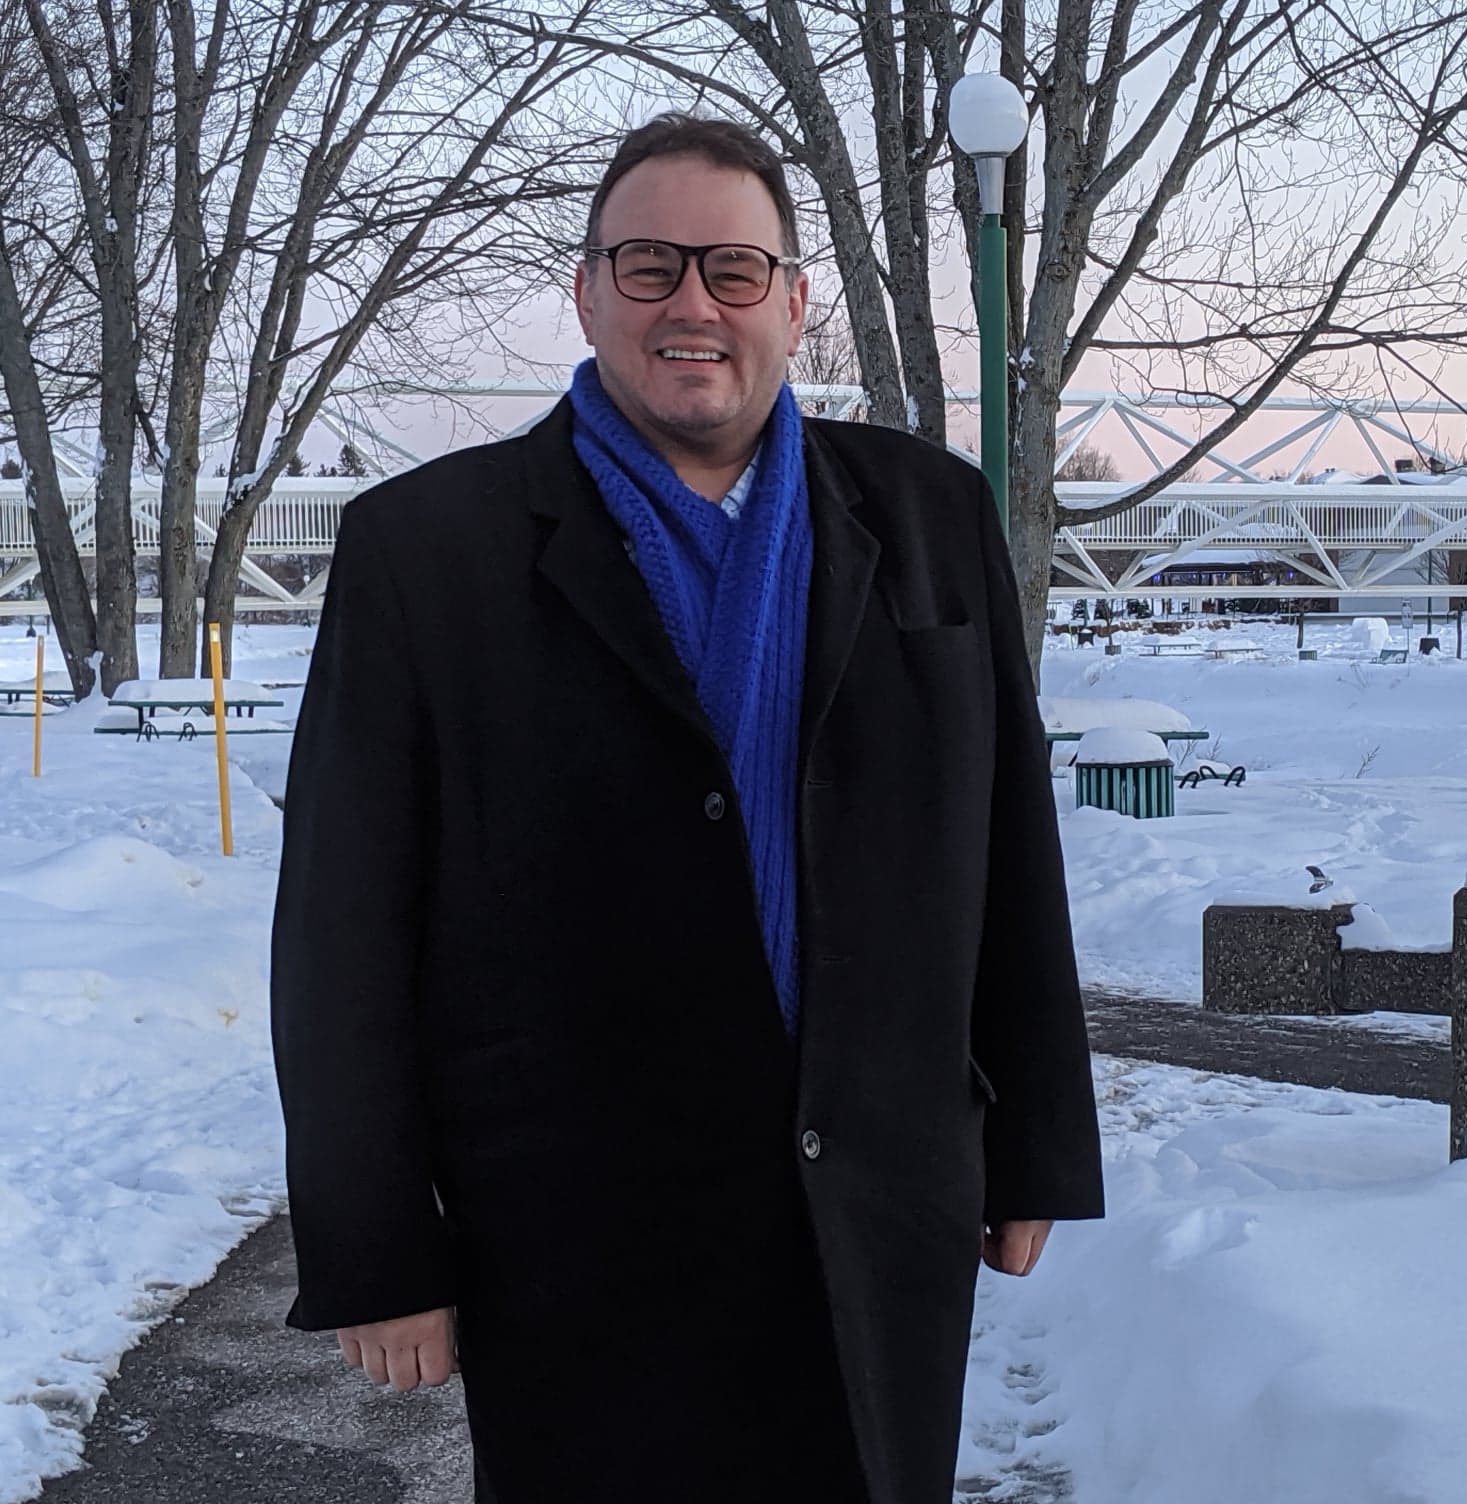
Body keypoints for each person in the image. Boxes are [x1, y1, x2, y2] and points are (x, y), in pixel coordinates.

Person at [269, 111, 1104, 1503]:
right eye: (649, 267)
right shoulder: (429, 551)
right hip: (577, 1230)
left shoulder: (930, 516)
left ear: (792, 299)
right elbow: (343, 925)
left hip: (876, 1206)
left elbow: (1010, 846)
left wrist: (1034, 1146)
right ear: (588, 291)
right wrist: (375, 1247)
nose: (691, 306)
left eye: (732, 269)